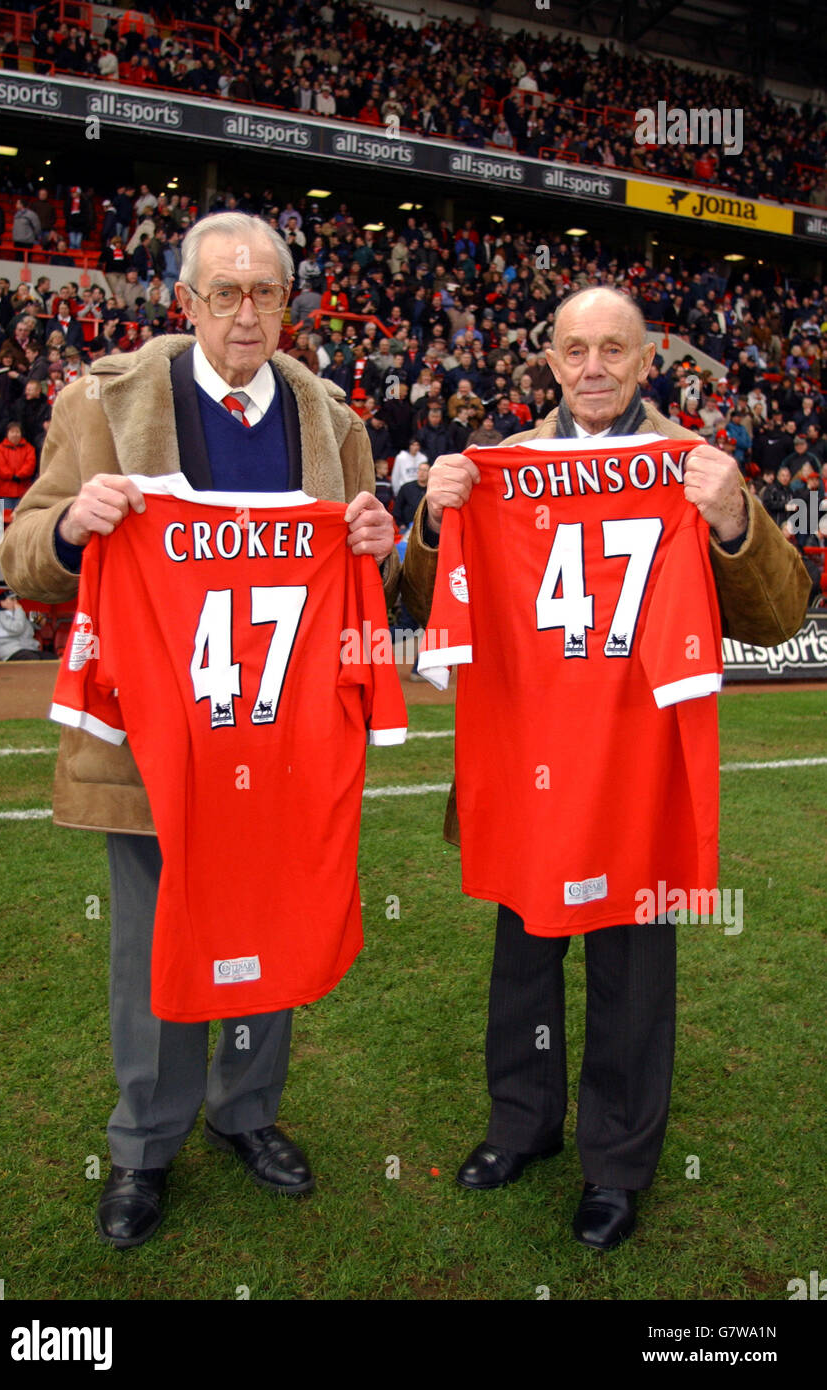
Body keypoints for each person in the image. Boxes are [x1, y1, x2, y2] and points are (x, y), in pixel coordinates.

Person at [0, 211, 398, 1251]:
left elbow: (367, 573)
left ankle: (247, 1112)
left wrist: (378, 540)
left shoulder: (331, 420)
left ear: (286, 303)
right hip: (149, 735)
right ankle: (144, 1140)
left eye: (264, 291)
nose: (245, 311)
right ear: (186, 303)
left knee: (277, 916)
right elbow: (21, 552)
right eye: (224, 292)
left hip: (280, 738)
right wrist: (72, 525)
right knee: (153, 949)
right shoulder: (104, 399)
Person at [401, 286, 810, 1252]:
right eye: (575, 350)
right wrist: (430, 522)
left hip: (640, 767)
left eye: (613, 350)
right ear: (549, 362)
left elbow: (783, 614)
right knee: (525, 951)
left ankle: (617, 1162)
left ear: (643, 361)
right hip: (529, 760)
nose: (593, 368)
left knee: (633, 971)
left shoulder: (693, 464)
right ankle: (524, 1123)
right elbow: (424, 599)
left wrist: (733, 519)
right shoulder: (501, 466)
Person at [0, 590, 43, 660]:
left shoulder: (18, 614)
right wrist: (19, 610)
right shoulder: (0, 615)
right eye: (12, 599)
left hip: (26, 648)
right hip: (9, 650)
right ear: (2, 603)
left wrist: (39, 623)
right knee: (32, 658)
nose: (16, 602)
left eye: (16, 599)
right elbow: (17, 628)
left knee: (51, 658)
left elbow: (28, 628)